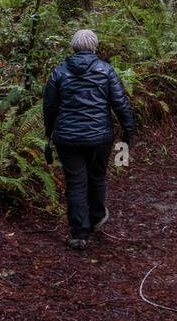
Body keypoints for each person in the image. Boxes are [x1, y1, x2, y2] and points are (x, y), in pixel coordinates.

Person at [43, 28, 136, 250]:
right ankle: (96, 218)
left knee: (75, 182)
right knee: (97, 176)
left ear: (73, 46)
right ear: (94, 47)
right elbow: (120, 104)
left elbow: (49, 106)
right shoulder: (106, 71)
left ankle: (78, 234)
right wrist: (128, 131)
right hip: (99, 137)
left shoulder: (59, 72)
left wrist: (50, 132)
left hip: (67, 137)